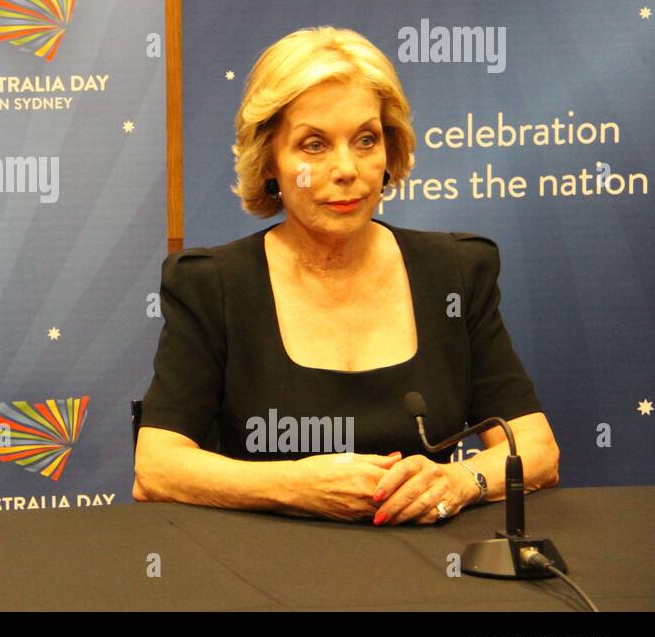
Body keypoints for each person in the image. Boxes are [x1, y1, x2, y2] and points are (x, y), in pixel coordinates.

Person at [133, 27, 558, 525]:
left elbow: (536, 449)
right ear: (270, 159)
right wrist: (294, 486)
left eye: (365, 140)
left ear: (389, 151)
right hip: (265, 575)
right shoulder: (213, 286)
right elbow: (156, 467)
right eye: (313, 145)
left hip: (433, 573)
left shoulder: (455, 273)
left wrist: (464, 480)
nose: (346, 168)